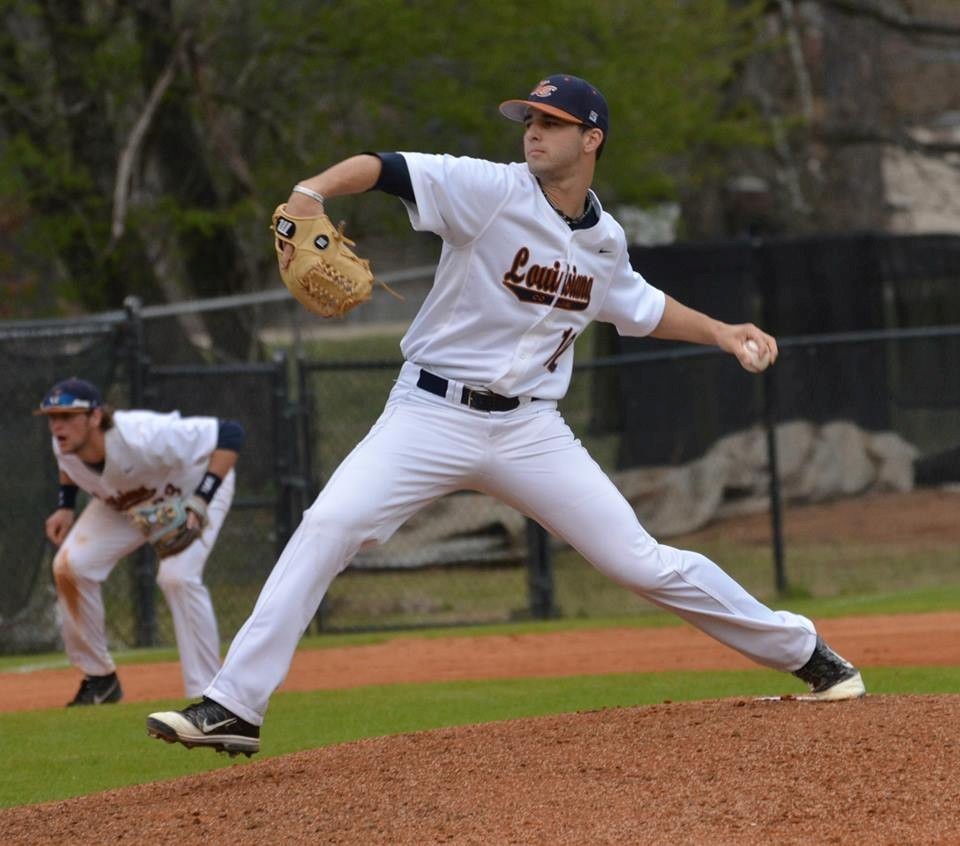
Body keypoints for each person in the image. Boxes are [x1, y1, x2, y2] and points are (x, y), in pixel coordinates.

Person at [147, 73, 864, 756]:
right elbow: (384, 165)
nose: (534, 131)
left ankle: (811, 655)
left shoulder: (604, 240)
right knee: (330, 525)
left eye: (552, 122)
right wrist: (310, 193)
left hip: (530, 431)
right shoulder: (487, 189)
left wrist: (722, 331)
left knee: (641, 562)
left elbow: (640, 306)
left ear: (592, 139)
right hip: (430, 412)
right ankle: (235, 706)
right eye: (530, 119)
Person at [36, 377, 244, 706]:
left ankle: (210, 692)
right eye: (52, 417)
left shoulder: (143, 435)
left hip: (192, 489)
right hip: (127, 502)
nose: (57, 425)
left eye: (67, 416)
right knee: (71, 565)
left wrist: (202, 500)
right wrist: (64, 506)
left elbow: (231, 433)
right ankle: (100, 679)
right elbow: (69, 466)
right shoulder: (65, 443)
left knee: (177, 577)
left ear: (94, 416)